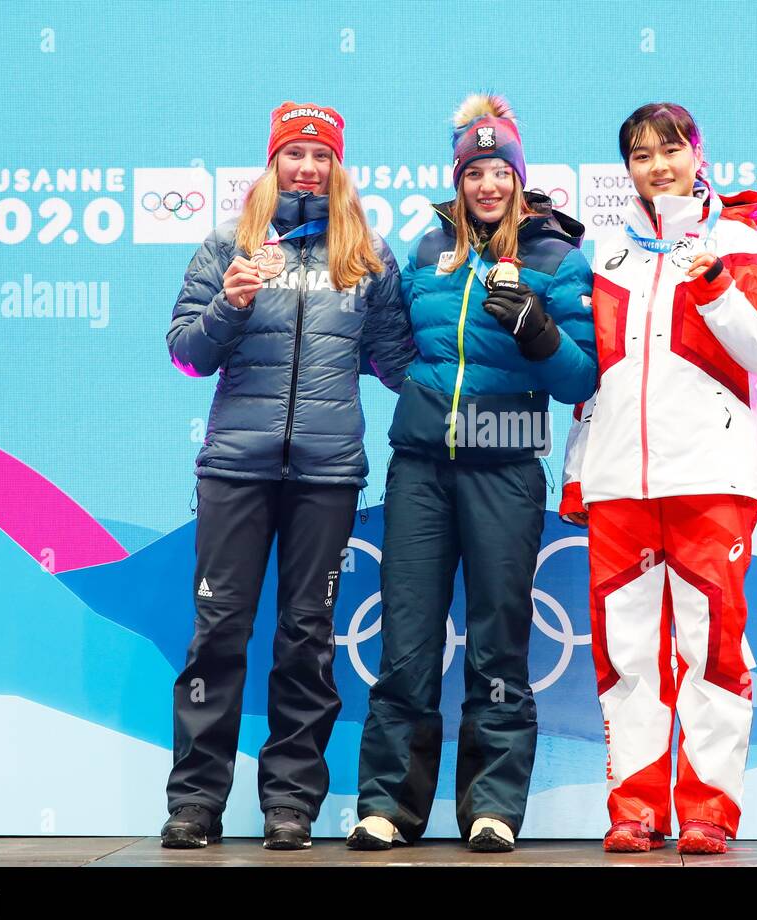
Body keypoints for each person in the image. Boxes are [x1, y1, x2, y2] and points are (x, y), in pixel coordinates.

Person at [160, 101, 416, 851]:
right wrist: (231, 305)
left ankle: (292, 804)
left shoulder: (366, 255)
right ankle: (196, 803)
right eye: (294, 154)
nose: (307, 166)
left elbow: (401, 364)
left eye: (321, 155)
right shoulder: (224, 247)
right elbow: (187, 352)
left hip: (326, 476)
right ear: (271, 164)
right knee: (218, 634)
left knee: (307, 637)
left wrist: (484, 352)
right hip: (235, 471)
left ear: (338, 168)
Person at [346, 93, 598, 853]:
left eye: (499, 170)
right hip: (422, 467)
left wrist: (536, 328)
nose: (487, 184)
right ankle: (389, 806)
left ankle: (492, 806)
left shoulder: (557, 257)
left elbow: (580, 380)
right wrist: (425, 398)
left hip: (506, 468)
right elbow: (393, 351)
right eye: (474, 171)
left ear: (520, 177)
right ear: (457, 179)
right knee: (408, 640)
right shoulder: (426, 252)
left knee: (498, 641)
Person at [560, 102, 757, 854]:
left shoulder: (737, 242)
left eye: (671, 149)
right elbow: (595, 375)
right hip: (619, 488)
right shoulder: (606, 254)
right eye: (641, 155)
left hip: (711, 480)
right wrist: (579, 474)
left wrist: (716, 285)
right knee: (627, 656)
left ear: (699, 154)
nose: (658, 165)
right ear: (626, 169)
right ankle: (634, 810)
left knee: (712, 651)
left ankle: (709, 813)